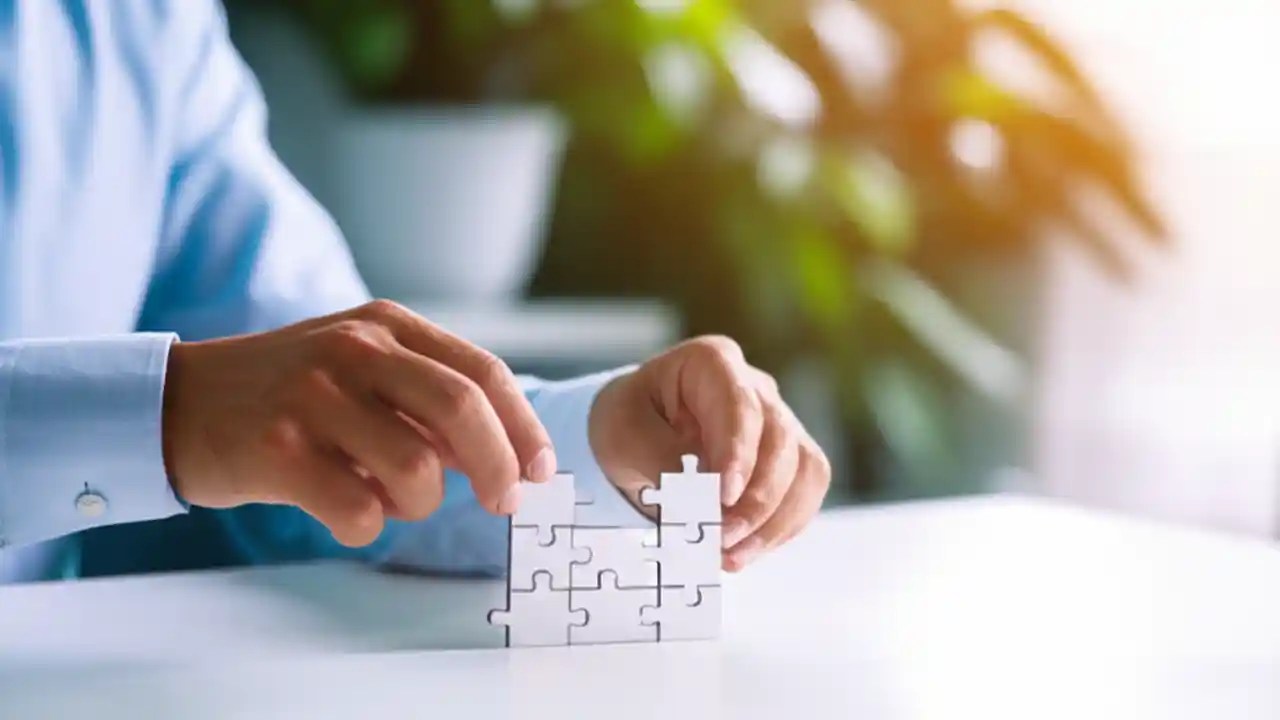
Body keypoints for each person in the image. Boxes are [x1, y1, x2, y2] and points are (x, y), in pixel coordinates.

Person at [0, 0, 830, 584]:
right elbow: (217, 408)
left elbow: (334, 411)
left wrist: (600, 441)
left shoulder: (142, 26)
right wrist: (168, 416)